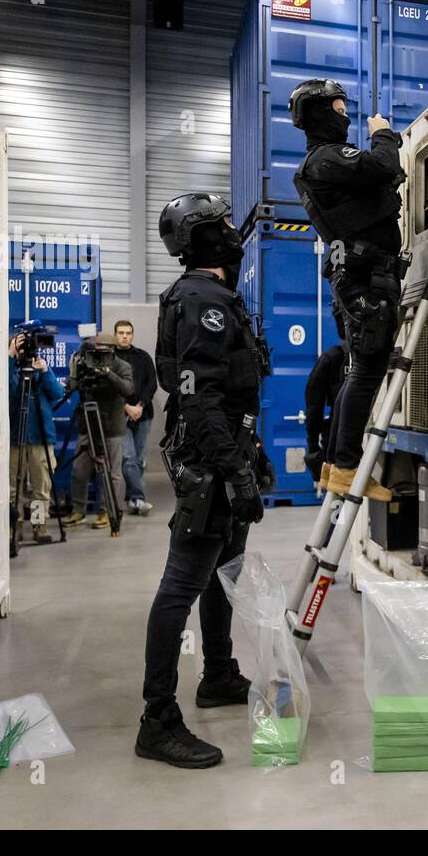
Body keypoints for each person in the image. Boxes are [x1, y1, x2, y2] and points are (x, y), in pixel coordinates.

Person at [137, 192, 273, 769]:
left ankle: (217, 673)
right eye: (220, 223)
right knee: (181, 585)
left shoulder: (218, 297)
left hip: (229, 450)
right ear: (201, 238)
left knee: (225, 570)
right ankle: (156, 719)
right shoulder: (201, 299)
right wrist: (232, 467)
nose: (231, 229)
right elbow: (199, 398)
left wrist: (251, 453)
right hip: (211, 461)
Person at [290, 77, 406, 501]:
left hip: (356, 279)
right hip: (367, 280)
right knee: (367, 372)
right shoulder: (326, 158)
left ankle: (332, 466)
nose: (345, 115)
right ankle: (346, 466)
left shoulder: (322, 163)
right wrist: (383, 134)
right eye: (339, 109)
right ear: (321, 113)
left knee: (357, 372)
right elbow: (383, 167)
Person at [63, 332, 134, 529]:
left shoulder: (122, 366)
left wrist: (108, 373)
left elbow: (129, 390)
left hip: (112, 427)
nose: (99, 355)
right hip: (88, 424)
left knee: (112, 474)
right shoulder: (85, 362)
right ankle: (78, 510)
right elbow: (73, 386)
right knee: (79, 471)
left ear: (112, 351)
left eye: (104, 351)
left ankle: (109, 511)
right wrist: (76, 371)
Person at [7, 333, 64, 544]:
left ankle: (40, 526)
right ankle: (15, 526)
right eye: (21, 347)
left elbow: (58, 392)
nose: (26, 352)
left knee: (41, 487)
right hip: (15, 438)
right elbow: (8, 393)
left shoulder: (39, 370)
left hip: (41, 437)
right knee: (13, 488)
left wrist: (45, 371)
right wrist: (10, 358)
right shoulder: (10, 370)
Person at [113, 319, 159, 516]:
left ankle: (132, 499)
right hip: (118, 416)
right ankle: (140, 498)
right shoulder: (110, 358)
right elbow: (109, 388)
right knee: (128, 457)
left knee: (139, 459)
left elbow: (151, 384)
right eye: (121, 333)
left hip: (143, 414)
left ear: (132, 335)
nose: (125, 336)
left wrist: (139, 406)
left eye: (128, 333)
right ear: (115, 335)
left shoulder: (143, 357)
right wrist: (126, 408)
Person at [304, 342, 347, 488]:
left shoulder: (332, 357)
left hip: (336, 440)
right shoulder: (371, 353)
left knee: (337, 497)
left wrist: (313, 445)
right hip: (367, 434)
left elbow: (314, 403)